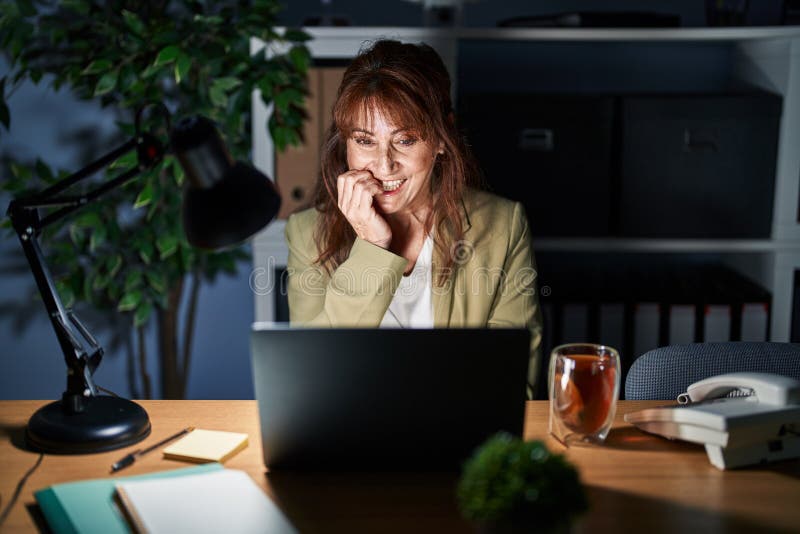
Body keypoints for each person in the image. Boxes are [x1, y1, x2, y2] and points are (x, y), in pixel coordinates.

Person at [284, 39, 542, 397]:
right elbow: (310, 377)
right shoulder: (305, 232)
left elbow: (514, 386)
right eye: (364, 140)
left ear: (440, 139)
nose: (384, 164)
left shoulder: (504, 224)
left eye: (405, 140)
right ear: (345, 144)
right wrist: (371, 247)